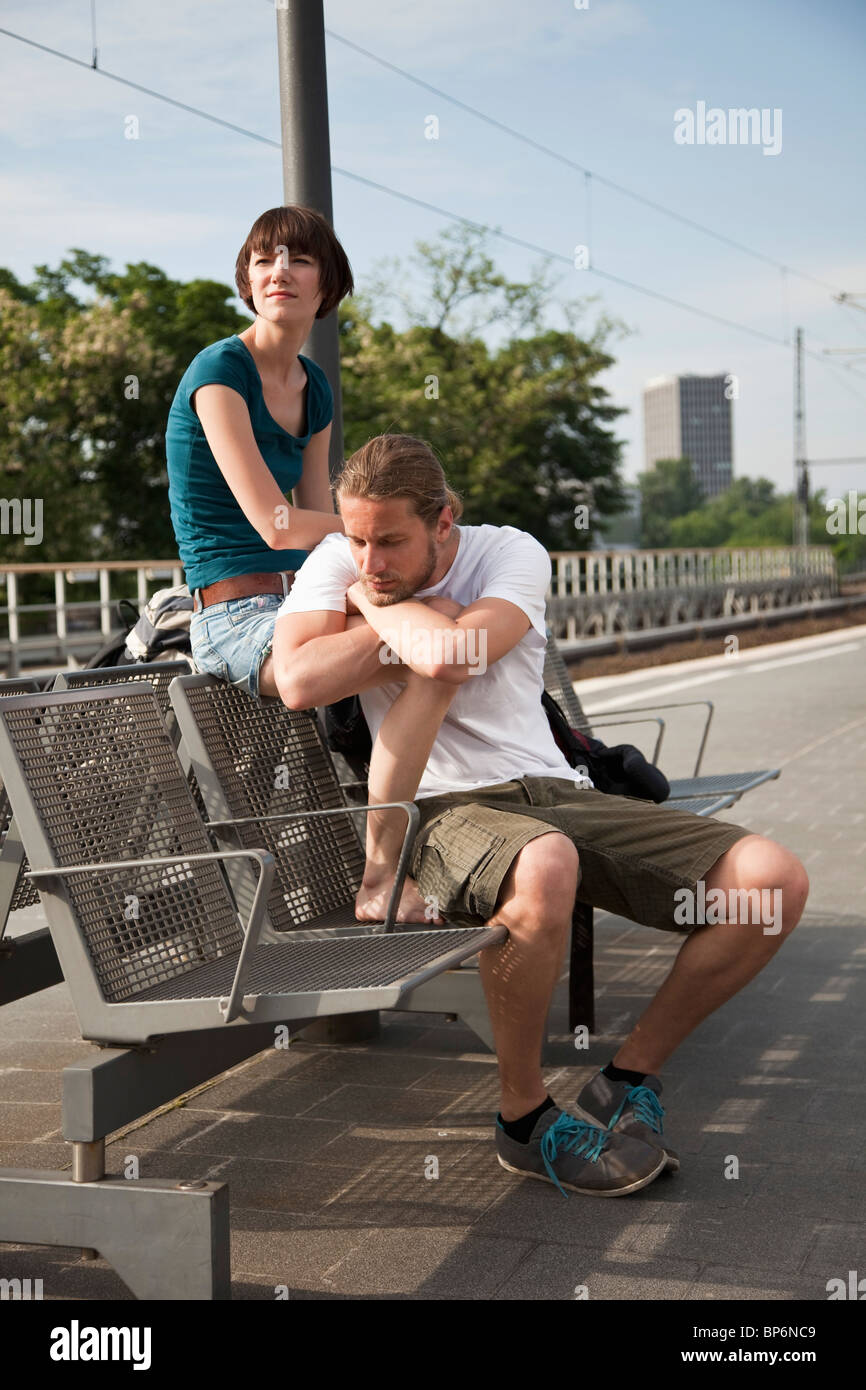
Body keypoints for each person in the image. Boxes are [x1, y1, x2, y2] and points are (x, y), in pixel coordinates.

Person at [270, 433, 809, 1200]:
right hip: (440, 808)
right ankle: (523, 1120)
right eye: (357, 540)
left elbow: (459, 656)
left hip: (555, 789)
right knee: (546, 863)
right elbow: (297, 681)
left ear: (445, 521)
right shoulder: (342, 562)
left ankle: (625, 1079)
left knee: (772, 882)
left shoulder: (511, 553)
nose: (368, 561)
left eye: (390, 542)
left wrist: (394, 625)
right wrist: (382, 612)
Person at [165, 205, 354, 699]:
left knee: (435, 634)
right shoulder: (220, 372)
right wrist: (385, 526)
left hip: (304, 597)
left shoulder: (315, 388)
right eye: (264, 260)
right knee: (405, 649)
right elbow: (279, 525)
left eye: (302, 261)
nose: (280, 273)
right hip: (232, 616)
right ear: (248, 280)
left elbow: (318, 521)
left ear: (327, 287)